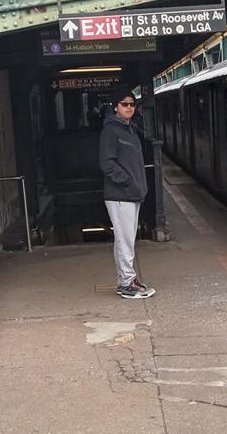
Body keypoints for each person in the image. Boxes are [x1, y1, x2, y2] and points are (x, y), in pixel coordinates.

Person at [99, 90, 155, 299]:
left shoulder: (130, 129)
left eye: (132, 104)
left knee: (125, 239)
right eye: (124, 104)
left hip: (131, 193)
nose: (129, 107)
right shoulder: (111, 131)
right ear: (115, 107)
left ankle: (127, 280)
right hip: (120, 194)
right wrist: (128, 182)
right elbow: (107, 163)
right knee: (125, 240)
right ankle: (127, 283)